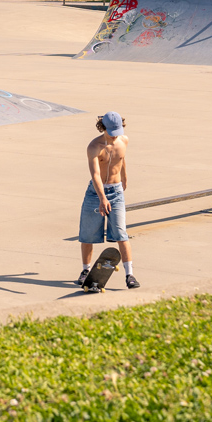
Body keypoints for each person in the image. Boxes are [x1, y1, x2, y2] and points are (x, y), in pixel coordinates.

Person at [76, 111, 137, 291]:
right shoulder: (94, 147)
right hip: (95, 193)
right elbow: (95, 175)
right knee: (87, 233)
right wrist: (102, 198)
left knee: (121, 233)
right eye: (111, 131)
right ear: (103, 128)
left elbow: (122, 158)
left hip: (116, 192)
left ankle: (130, 274)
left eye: (117, 130)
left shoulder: (123, 140)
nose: (115, 134)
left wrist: (125, 177)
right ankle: (86, 271)